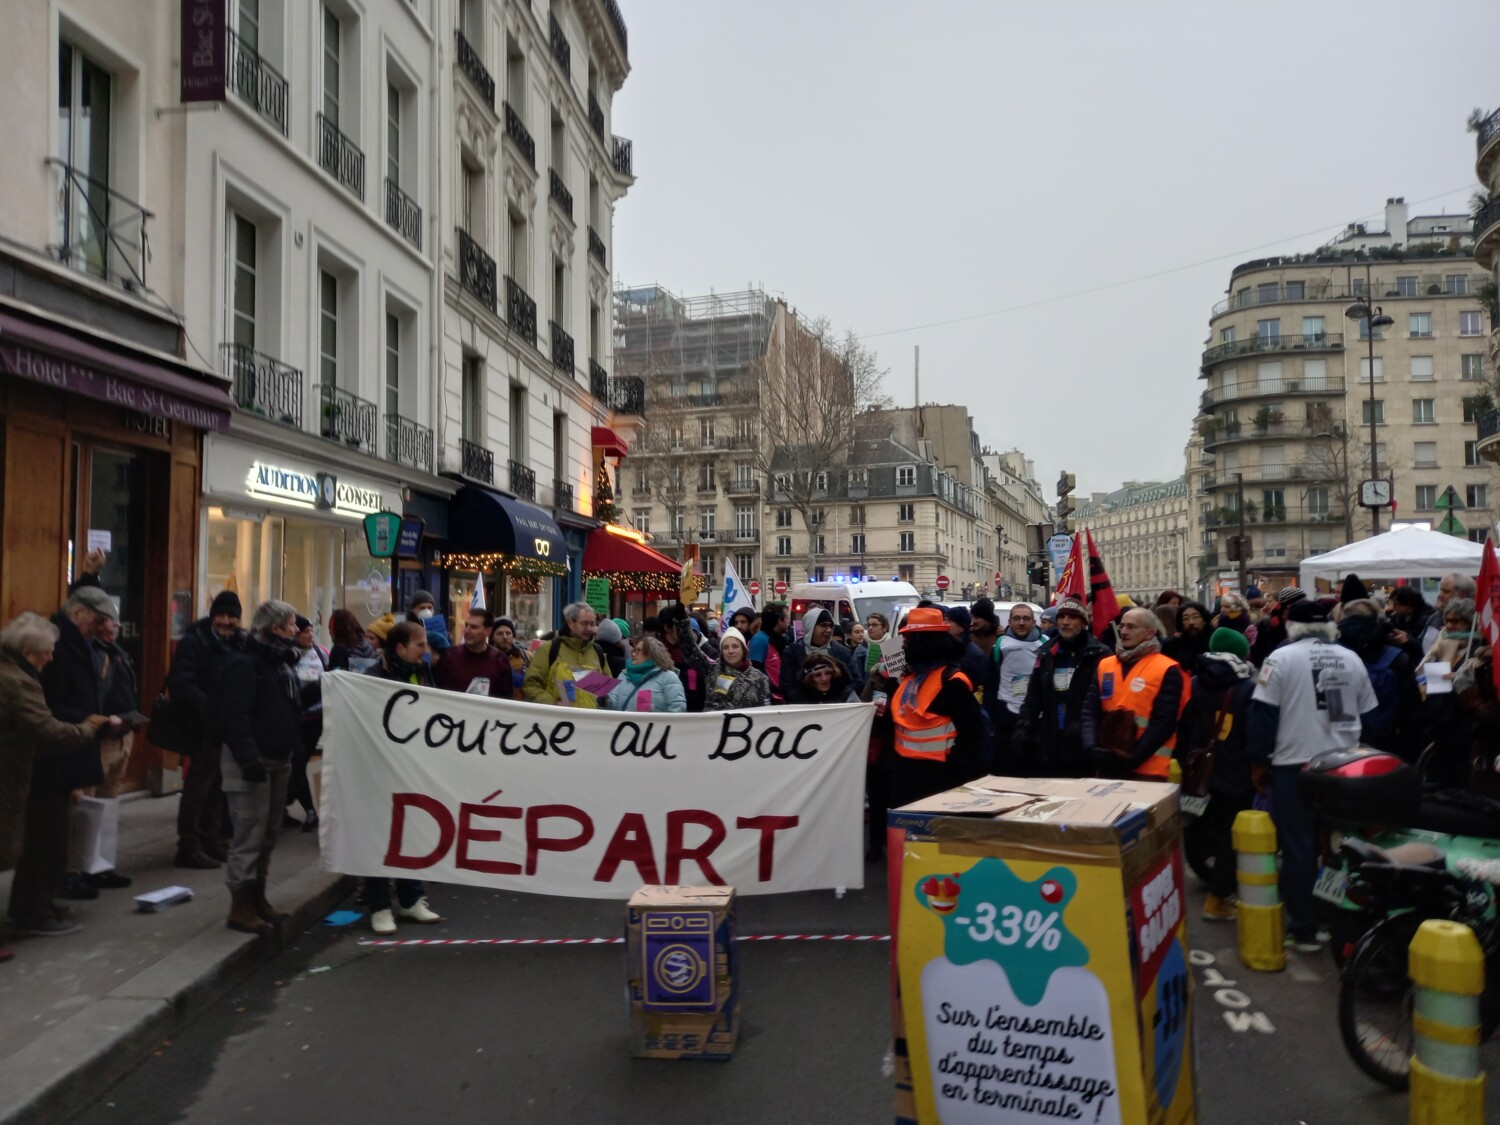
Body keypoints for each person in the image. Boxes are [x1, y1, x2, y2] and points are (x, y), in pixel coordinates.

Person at [1250, 598, 1377, 952]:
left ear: (1292, 625)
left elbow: (1262, 714)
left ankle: (1304, 927)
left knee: (1299, 847)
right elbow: (1371, 713)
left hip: (1296, 765)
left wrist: (1259, 762)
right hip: (1343, 763)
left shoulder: (1280, 658)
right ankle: (1338, 922)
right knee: (1340, 846)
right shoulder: (1351, 658)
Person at [1, 613, 109, 940]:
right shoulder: (17, 681)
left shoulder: (16, 672)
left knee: (39, 842)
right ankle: (30, 912)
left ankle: (34, 907)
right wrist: (87, 728)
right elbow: (47, 729)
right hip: (12, 773)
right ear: (27, 650)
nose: (51, 657)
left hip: (23, 771)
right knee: (35, 844)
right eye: (46, 651)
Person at [214, 601, 309, 936]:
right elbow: (235, 716)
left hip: (279, 758)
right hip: (252, 761)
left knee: (268, 834)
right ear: (275, 628)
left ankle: (258, 897)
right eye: (292, 624)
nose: (297, 630)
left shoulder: (280, 663)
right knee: (249, 835)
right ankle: (240, 905)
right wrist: (248, 758)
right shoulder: (246, 663)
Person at [24, 586, 117, 917]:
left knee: (55, 836)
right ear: (76, 613)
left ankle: (43, 902)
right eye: (94, 620)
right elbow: (49, 708)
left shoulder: (76, 644)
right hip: (55, 753)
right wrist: (87, 720)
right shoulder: (58, 646)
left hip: (72, 746)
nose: (98, 628)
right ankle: (34, 907)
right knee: (44, 838)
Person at [362, 621, 444, 935]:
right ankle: (380, 906)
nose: (426, 650)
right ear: (399, 648)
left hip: (413, 769)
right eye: (419, 645)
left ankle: (411, 899)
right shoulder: (372, 680)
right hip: (380, 771)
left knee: (411, 834)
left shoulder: (421, 674)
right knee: (380, 837)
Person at [1180, 628, 1258, 922]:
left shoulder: (1196, 681)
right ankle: (1218, 898)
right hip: (1234, 769)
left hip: (1198, 768)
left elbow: (1184, 725)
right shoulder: (1247, 687)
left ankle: (1205, 873)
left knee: (1196, 824)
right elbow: (1253, 732)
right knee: (1230, 835)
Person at [168, 590, 246, 869]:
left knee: (219, 787)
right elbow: (181, 683)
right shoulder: (195, 642)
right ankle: (188, 845)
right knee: (198, 788)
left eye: (232, 616)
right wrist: (211, 708)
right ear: (213, 616)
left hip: (227, 728)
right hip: (201, 726)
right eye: (221, 615)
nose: (226, 621)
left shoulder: (240, 642)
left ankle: (211, 839)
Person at [882, 607, 985, 806]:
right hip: (906, 780)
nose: (903, 645)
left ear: (924, 643)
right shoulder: (907, 678)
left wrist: (955, 776)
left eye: (909, 639)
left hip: (940, 783)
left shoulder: (952, 681)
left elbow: (972, 735)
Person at [1083, 608, 1190, 781]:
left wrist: (1131, 760)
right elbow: (1090, 710)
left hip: (1148, 770)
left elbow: (1164, 723)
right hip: (1106, 764)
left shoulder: (1166, 668)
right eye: (1122, 626)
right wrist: (1090, 747)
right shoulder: (1105, 665)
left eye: (1131, 627)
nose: (1124, 631)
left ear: (1149, 633)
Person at [1012, 599, 1111, 777]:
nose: (1065, 622)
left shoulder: (1100, 655)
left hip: (1084, 745)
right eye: (1062, 617)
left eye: (1072, 617)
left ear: (1083, 622)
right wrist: (1024, 727)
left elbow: (1106, 701)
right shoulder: (1046, 654)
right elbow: (1033, 697)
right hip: (1051, 742)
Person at [1336, 598, 1422, 761]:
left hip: (1339, 740)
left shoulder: (1332, 653)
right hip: (1385, 742)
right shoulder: (1397, 657)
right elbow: (1411, 712)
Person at [1419, 597, 1480, 788]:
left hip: (1464, 727)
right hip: (1439, 724)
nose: (1450, 626)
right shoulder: (1440, 645)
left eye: (1456, 621)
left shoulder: (1477, 651)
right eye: (1447, 621)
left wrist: (1460, 679)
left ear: (1470, 623)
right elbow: (1422, 671)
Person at [284, 616, 326, 833]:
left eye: (311, 630)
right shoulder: (288, 656)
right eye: (304, 631)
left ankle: (283, 805)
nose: (310, 635)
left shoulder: (321, 653)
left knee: (296, 767)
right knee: (297, 765)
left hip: (316, 721)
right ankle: (310, 811)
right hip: (296, 721)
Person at [991, 602, 1043, 774]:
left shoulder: (1046, 644)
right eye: (1017, 618)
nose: (1021, 622)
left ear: (1034, 622)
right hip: (1007, 710)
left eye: (1026, 618)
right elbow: (992, 677)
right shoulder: (1000, 644)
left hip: (1036, 714)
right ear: (1010, 622)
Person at [672, 620, 769, 711]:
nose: (731, 651)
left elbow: (765, 713)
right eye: (726, 648)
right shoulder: (712, 669)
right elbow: (691, 651)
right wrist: (682, 622)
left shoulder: (759, 679)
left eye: (735, 646)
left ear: (743, 649)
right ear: (721, 651)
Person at [523, 602, 608, 706]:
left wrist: (604, 699)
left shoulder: (597, 652)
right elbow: (530, 685)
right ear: (571, 623)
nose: (589, 628)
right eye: (585, 623)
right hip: (557, 720)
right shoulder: (548, 649)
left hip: (589, 721)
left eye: (592, 623)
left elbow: (608, 691)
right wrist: (552, 704)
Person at [434, 609, 513, 699]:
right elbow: (436, 693)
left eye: (474, 627)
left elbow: (506, 700)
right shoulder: (449, 656)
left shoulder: (500, 660)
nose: (467, 631)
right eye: (466, 625)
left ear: (488, 631)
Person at [781, 607, 857, 699]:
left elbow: (856, 681)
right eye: (823, 625)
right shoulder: (792, 653)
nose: (828, 630)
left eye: (830, 626)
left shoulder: (842, 652)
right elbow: (787, 687)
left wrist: (836, 697)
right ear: (810, 626)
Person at [602, 636, 688, 712]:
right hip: (626, 728)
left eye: (638, 650)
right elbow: (614, 700)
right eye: (634, 650)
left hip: (655, 729)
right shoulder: (623, 675)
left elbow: (677, 709)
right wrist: (605, 700)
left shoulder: (668, 677)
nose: (633, 654)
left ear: (651, 654)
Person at [1250, 586, 1304, 667]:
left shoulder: (1306, 622)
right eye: (1302, 602)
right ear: (1290, 604)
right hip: (1275, 669)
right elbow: (1258, 653)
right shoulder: (1267, 623)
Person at [943, 605, 990, 698]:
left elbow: (982, 686)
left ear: (962, 627)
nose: (945, 623)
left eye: (950, 621)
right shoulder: (944, 648)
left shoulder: (975, 655)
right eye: (944, 619)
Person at [791, 650, 859, 705]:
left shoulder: (847, 695)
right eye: (818, 675)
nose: (824, 678)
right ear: (809, 678)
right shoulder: (798, 700)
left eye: (828, 673)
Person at [750, 604, 789, 699]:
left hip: (782, 696)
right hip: (770, 699)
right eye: (787, 618)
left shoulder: (780, 639)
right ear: (780, 621)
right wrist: (773, 690)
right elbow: (756, 671)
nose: (789, 622)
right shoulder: (759, 639)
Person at [327, 608, 379, 674]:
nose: (329, 632)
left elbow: (334, 678)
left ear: (336, 630)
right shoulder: (369, 648)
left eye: (330, 628)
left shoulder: (338, 650)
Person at [489, 616, 532, 696]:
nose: (505, 637)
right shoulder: (486, 659)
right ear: (492, 637)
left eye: (508, 633)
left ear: (513, 636)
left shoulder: (527, 657)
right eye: (500, 633)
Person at [1163, 600, 1212, 669]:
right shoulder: (1173, 644)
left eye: (1195, 617)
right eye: (1185, 618)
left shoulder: (1214, 640)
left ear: (1204, 620)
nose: (1191, 622)